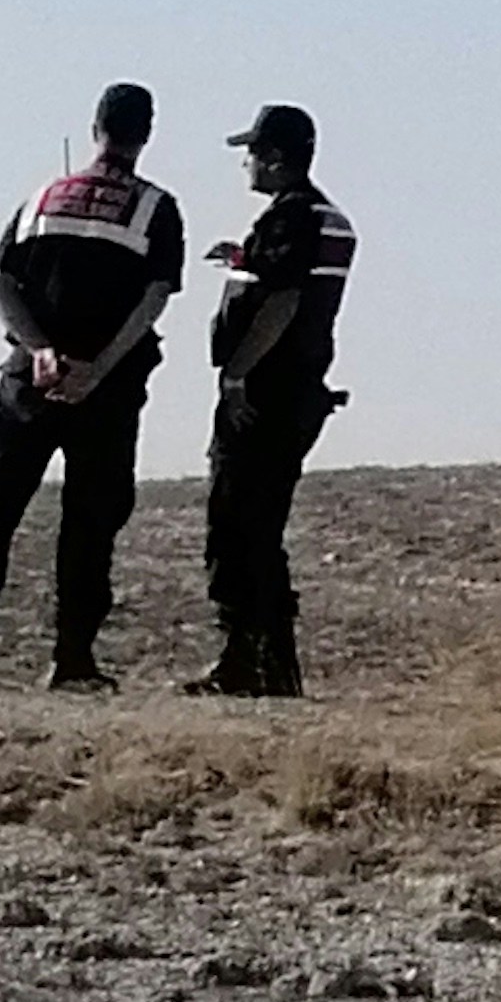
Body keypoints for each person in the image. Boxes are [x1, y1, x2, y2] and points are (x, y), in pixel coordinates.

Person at [0, 86, 187, 692]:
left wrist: (40, 350)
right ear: (147, 133)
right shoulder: (156, 208)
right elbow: (153, 299)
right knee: (91, 523)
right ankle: (72, 657)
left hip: (29, 384)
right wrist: (98, 368)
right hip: (107, 391)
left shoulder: (44, 199)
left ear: (95, 127)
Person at [191, 106, 354, 699]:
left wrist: (237, 375)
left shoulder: (290, 218)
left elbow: (283, 301)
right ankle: (272, 668)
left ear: (277, 159)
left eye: (253, 153)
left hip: (266, 394)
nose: (246, 164)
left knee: (236, 528)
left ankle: (248, 665)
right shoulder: (324, 218)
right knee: (259, 528)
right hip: (299, 391)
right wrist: (244, 260)